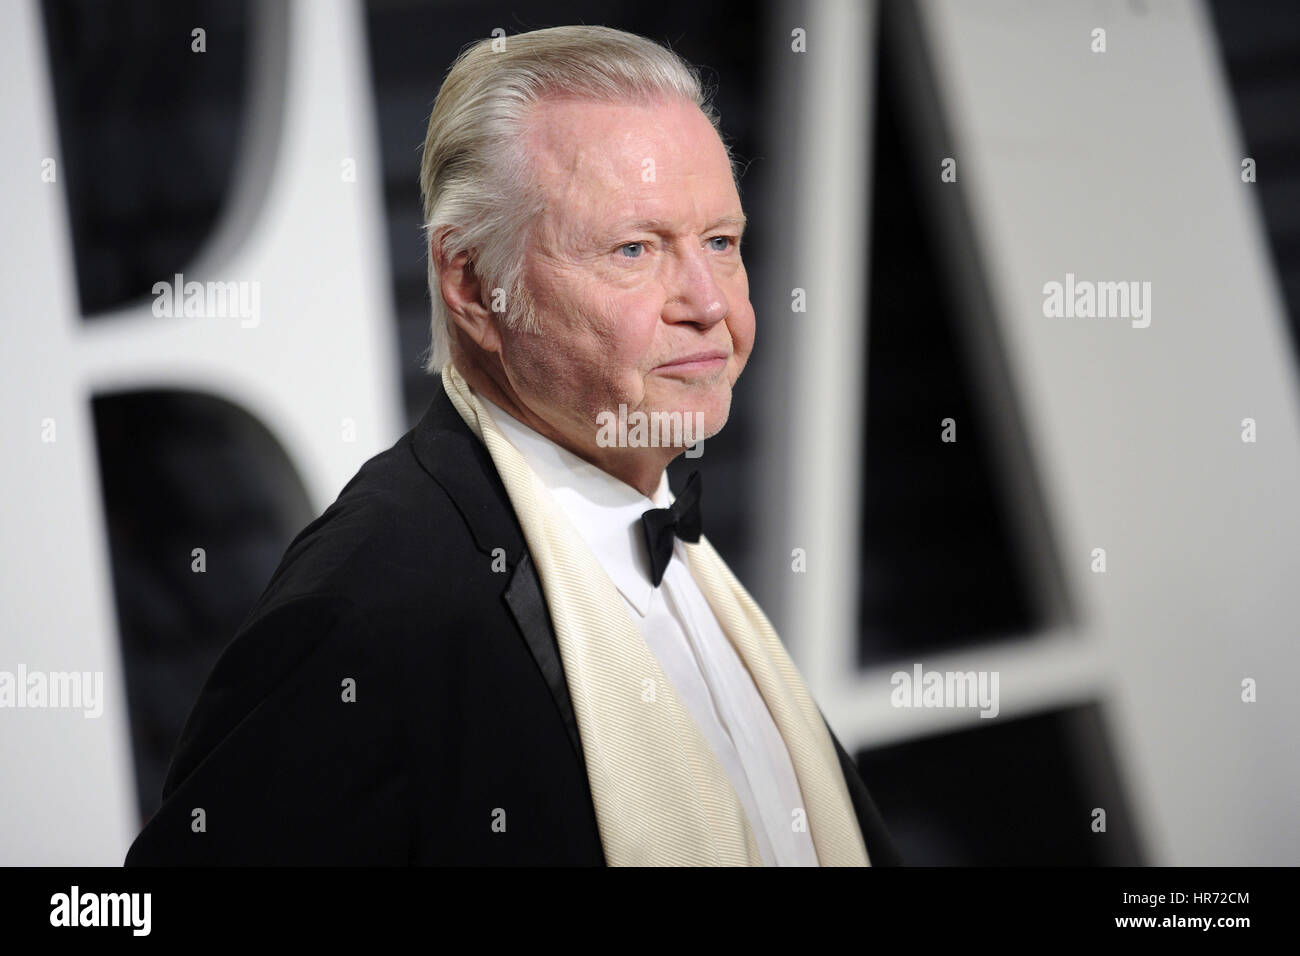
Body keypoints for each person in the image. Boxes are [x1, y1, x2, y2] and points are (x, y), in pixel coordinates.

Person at [125, 24, 900, 867]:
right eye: (635, 250)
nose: (709, 303)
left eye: (721, 242)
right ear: (472, 286)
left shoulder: (682, 549)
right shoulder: (369, 607)